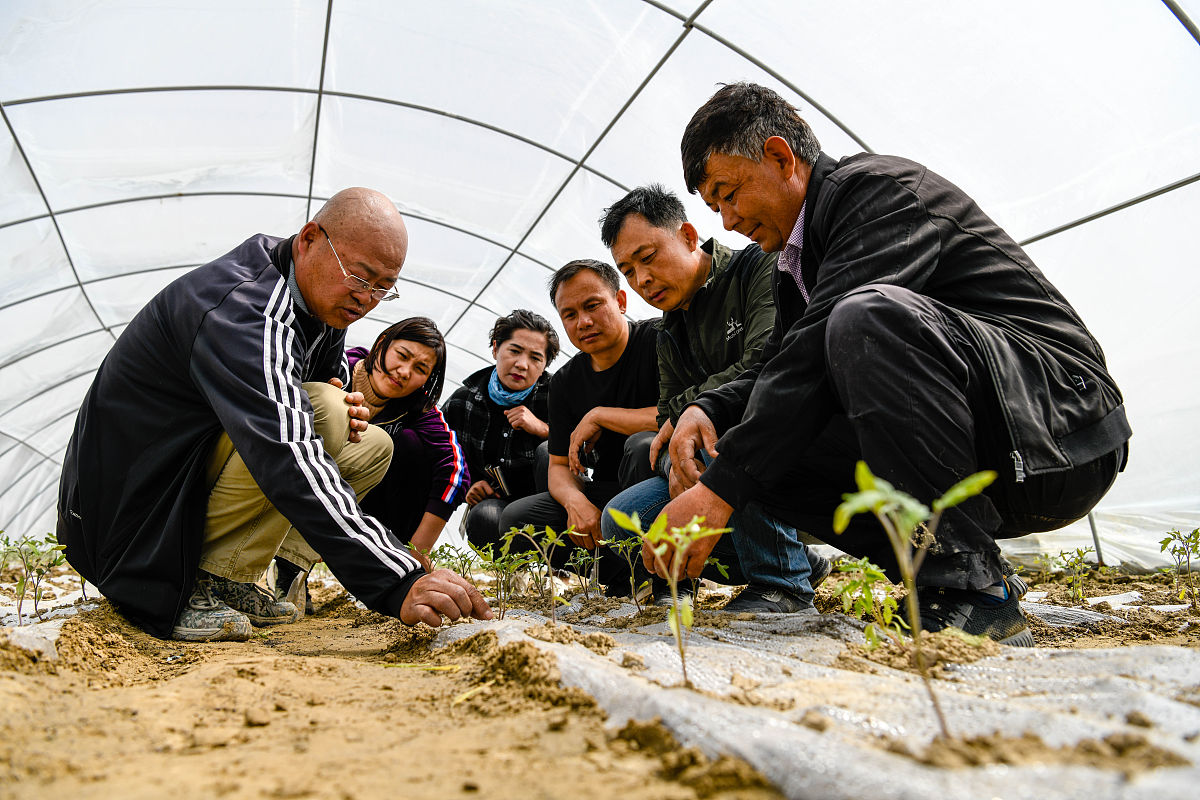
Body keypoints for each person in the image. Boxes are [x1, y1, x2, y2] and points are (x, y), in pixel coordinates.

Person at [657, 83, 1130, 646]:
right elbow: (781, 363)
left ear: (780, 158)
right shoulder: (796, 261)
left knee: (864, 318)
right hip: (992, 441)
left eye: (729, 194)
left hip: (1058, 424)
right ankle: (958, 569)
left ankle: (970, 590)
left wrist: (719, 492)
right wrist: (708, 410)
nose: (729, 220)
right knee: (751, 431)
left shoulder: (879, 193)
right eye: (716, 208)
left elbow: (815, 349)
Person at [58, 188, 491, 642]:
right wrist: (396, 577)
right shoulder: (248, 310)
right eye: (359, 277)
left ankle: (231, 576)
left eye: (383, 288)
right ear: (309, 239)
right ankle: (184, 584)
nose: (367, 298)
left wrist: (343, 404)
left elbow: (322, 385)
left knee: (372, 443)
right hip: (129, 516)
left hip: (183, 477)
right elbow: (287, 449)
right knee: (321, 413)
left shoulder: (320, 305)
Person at [597, 184, 830, 612]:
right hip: (719, 474)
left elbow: (767, 362)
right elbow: (665, 415)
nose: (642, 279)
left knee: (718, 427)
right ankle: (801, 562)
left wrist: (692, 412)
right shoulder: (668, 330)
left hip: (791, 449)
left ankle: (783, 585)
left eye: (648, 258)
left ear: (688, 236)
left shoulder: (758, 267)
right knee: (621, 519)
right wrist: (676, 461)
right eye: (628, 271)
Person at [276, 316, 471, 598]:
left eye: (420, 369)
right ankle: (274, 561)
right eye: (402, 355)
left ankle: (298, 565)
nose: (404, 372)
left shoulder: (417, 408)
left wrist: (418, 551)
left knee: (408, 446)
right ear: (382, 344)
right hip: (290, 474)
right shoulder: (336, 367)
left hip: (351, 498)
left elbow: (455, 469)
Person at [498, 259, 659, 591]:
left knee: (642, 445)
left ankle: (664, 578)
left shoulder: (658, 341)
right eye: (569, 314)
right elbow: (558, 465)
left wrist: (600, 415)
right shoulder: (566, 382)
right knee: (518, 520)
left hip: (662, 485)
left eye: (593, 305)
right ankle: (621, 578)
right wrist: (576, 502)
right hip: (608, 492)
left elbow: (681, 414)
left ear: (621, 301)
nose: (583, 322)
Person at [442, 310, 559, 547]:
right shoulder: (464, 401)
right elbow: (442, 456)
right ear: (496, 349)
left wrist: (543, 429)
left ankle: (563, 561)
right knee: (484, 516)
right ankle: (514, 566)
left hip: (554, 506)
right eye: (514, 351)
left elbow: (591, 455)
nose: (522, 365)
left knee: (548, 450)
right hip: (500, 506)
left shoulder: (557, 396)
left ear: (545, 365)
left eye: (535, 358)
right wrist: (470, 484)